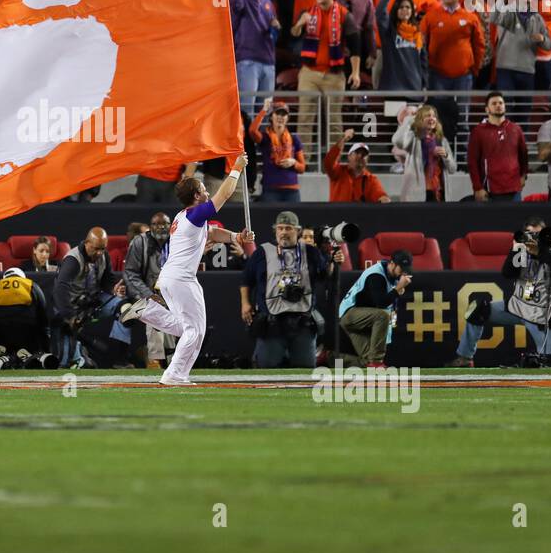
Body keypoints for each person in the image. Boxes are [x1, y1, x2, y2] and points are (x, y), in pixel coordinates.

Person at [118, 155, 254, 386]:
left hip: (171, 277)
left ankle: (148, 312)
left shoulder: (184, 217)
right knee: (196, 331)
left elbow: (211, 233)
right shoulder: (195, 213)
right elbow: (225, 195)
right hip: (182, 279)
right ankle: (174, 375)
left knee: (187, 327)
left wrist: (235, 237)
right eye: (203, 189)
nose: (207, 193)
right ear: (195, 196)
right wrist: (236, 168)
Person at [450, 218, 551, 367]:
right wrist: (516, 250)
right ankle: (465, 358)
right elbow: (507, 273)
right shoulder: (523, 252)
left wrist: (540, 252)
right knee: (478, 309)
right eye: (529, 234)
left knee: (549, 362)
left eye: (537, 234)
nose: (533, 237)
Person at [241, 210, 342, 368]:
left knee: (305, 369)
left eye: (288, 228)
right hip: (271, 322)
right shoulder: (262, 252)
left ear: (298, 230)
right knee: (266, 368)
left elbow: (324, 276)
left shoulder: (311, 252)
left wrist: (333, 261)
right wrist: (245, 303)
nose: (283, 233)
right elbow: (246, 280)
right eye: (280, 228)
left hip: (302, 321)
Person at [291, 0, 361, 160]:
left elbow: (356, 44)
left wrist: (355, 72)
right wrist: (300, 23)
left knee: (334, 121)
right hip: (309, 74)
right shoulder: (307, 12)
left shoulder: (345, 15)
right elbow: (294, 34)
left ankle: (334, 160)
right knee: (305, 117)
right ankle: (303, 159)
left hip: (334, 75)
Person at [53, 226, 135, 369]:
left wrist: (113, 288)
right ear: (87, 243)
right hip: (73, 304)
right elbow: (60, 288)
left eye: (103, 248)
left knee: (126, 310)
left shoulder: (104, 255)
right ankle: (72, 359)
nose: (99, 253)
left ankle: (121, 360)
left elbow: (107, 280)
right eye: (96, 248)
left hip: (95, 300)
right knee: (65, 360)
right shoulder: (73, 260)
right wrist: (70, 315)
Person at [336, 249, 411, 369]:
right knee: (382, 315)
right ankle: (377, 361)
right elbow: (381, 303)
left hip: (363, 317)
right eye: (401, 269)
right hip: (349, 313)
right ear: (392, 263)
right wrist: (397, 289)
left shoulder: (392, 275)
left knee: (367, 361)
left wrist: (396, 290)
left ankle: (330, 357)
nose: (402, 273)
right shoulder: (376, 274)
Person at [123, 213, 172, 369]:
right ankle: (155, 359)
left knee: (174, 311)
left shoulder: (177, 242)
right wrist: (148, 295)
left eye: (165, 224)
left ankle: (172, 357)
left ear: (171, 225)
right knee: (154, 310)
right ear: (151, 227)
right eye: (156, 224)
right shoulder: (139, 243)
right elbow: (130, 273)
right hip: (142, 293)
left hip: (170, 292)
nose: (161, 227)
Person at [230, 0, 279, 113]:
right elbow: (233, 4)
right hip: (247, 60)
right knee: (246, 109)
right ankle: (246, 138)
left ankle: (261, 138)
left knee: (265, 111)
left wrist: (274, 29)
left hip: (268, 61)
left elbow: (274, 35)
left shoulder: (267, 2)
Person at [0, 267, 53, 369]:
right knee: (36, 329)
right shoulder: (29, 284)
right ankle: (30, 355)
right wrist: (47, 349)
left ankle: (2, 358)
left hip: (0, 329)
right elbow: (43, 316)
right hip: (25, 327)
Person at [468, 92, 529, 201]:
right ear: (487, 109)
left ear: (505, 106)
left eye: (501, 103)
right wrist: (477, 188)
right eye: (494, 103)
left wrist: (524, 175)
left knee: (515, 218)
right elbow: (472, 161)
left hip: (514, 189)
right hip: (489, 190)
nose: (498, 105)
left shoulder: (516, 129)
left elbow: (523, 156)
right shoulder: (478, 131)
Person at [391, 103, 456, 202]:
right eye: (428, 115)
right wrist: (409, 120)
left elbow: (453, 169)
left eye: (434, 116)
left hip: (439, 193)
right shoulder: (414, 138)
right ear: (420, 120)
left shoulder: (442, 140)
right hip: (417, 196)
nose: (432, 118)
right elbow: (396, 141)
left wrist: (446, 156)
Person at [249, 100, 305, 201]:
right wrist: (264, 110)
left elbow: (302, 168)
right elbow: (252, 131)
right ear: (271, 116)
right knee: (268, 217)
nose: (280, 117)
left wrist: (294, 162)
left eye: (283, 114)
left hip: (292, 190)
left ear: (287, 118)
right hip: (271, 189)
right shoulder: (265, 138)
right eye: (277, 113)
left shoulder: (294, 138)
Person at [323, 128, 390, 202]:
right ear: (349, 156)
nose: (360, 156)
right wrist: (344, 139)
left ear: (368, 159)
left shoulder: (371, 179)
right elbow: (329, 160)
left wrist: (384, 199)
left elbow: (380, 194)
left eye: (364, 154)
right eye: (357, 153)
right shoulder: (338, 171)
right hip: (337, 213)